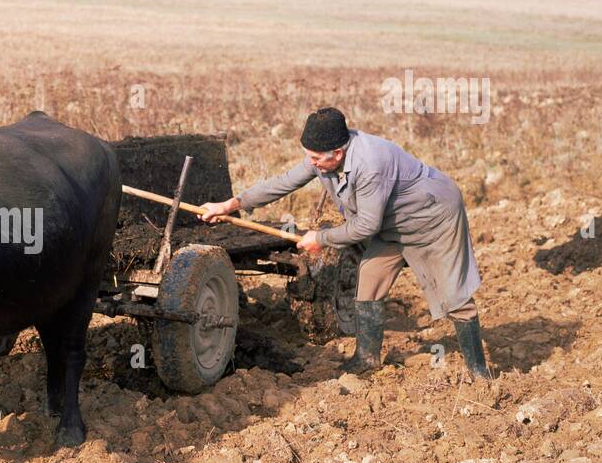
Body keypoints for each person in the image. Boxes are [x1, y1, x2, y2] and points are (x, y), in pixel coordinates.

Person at [199, 107, 492, 380]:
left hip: (432, 217)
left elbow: (366, 225)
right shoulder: (322, 159)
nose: (311, 164)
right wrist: (230, 204)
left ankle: (479, 372)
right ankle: (366, 359)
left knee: (453, 294)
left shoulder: (370, 164)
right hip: (392, 224)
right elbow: (283, 182)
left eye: (316, 158)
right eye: (308, 157)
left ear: (337, 153)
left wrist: (322, 239)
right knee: (370, 279)